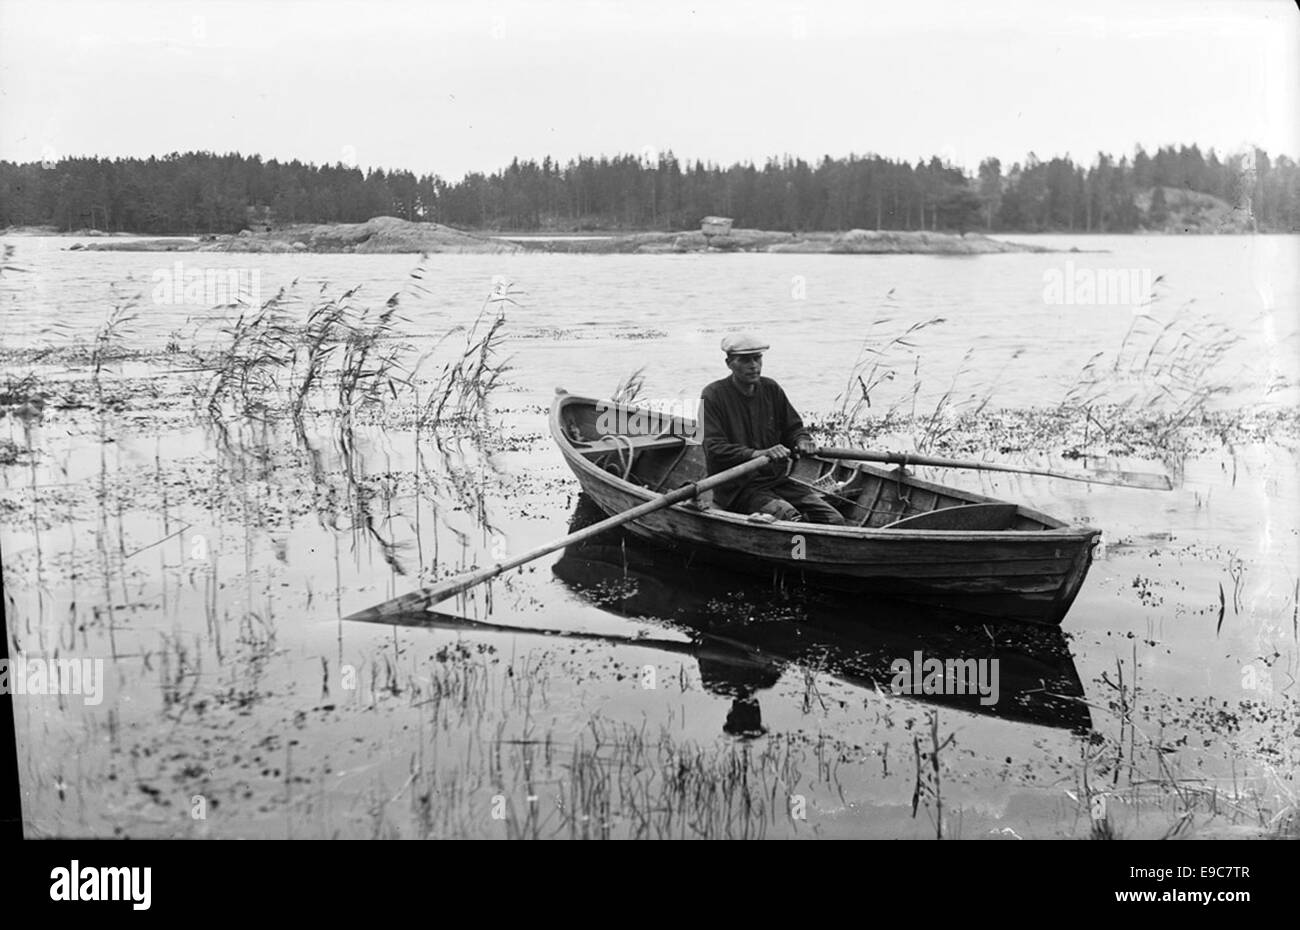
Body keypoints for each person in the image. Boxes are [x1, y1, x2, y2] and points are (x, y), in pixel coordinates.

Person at [699, 334, 846, 525]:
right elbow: (713, 447)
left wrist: (802, 440)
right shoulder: (713, 395)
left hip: (777, 482)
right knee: (792, 521)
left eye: (757, 358)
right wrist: (757, 454)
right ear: (729, 363)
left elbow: (793, 428)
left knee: (834, 520)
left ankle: (810, 551)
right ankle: (798, 554)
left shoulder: (771, 388)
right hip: (738, 489)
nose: (753, 365)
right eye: (745, 360)